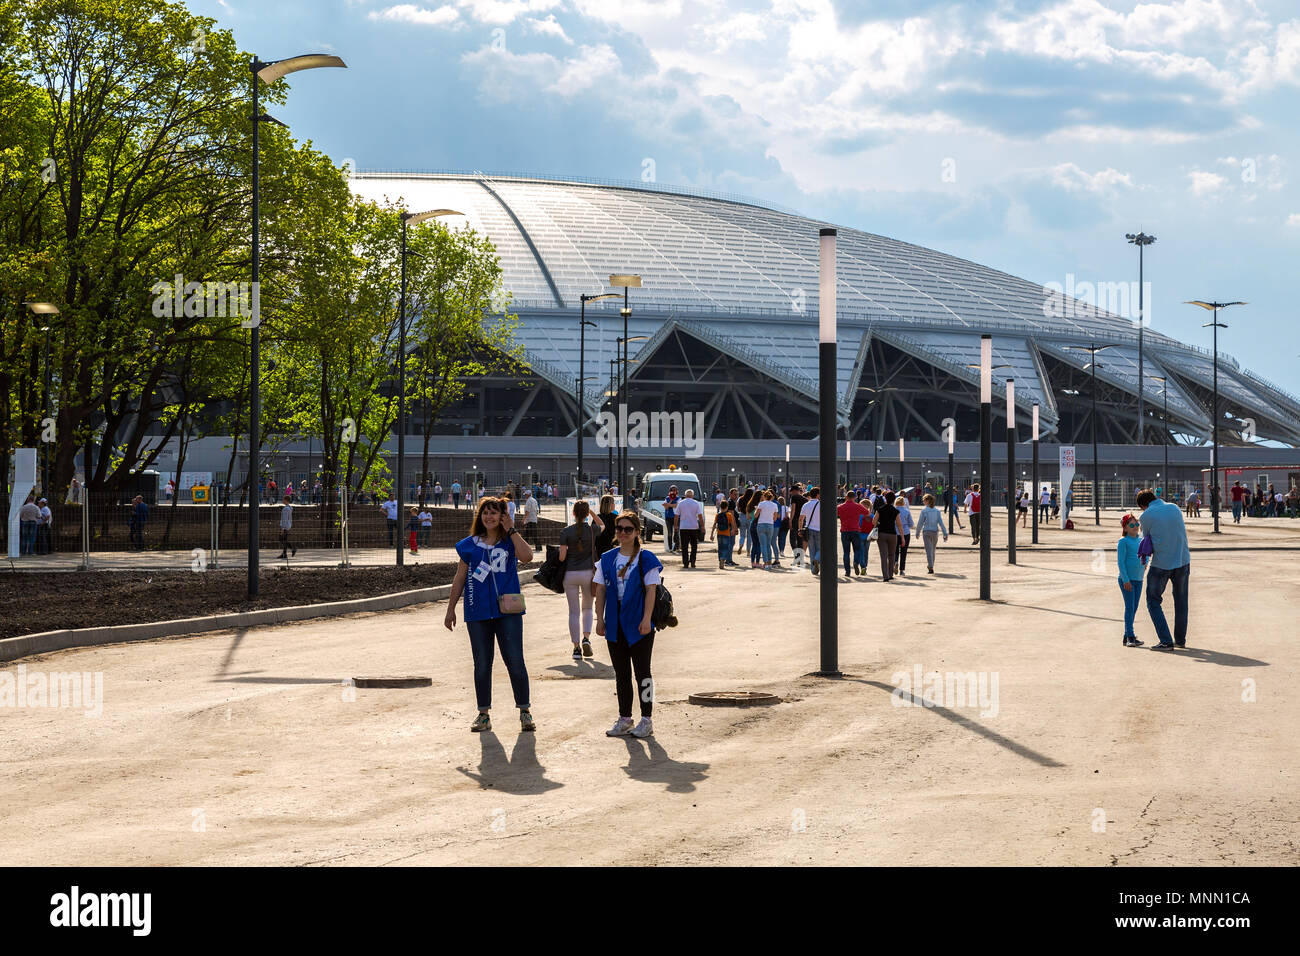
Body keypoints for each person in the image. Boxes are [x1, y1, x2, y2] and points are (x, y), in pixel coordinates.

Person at [445, 496, 535, 732]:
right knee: (482, 664)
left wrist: (512, 529)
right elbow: (460, 578)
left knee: (515, 661)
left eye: (495, 513)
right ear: (479, 516)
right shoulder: (469, 545)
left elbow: (527, 557)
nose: (489, 517)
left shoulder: (510, 542)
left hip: (509, 611)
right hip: (478, 612)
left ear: (503, 516)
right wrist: (451, 608)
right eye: (485, 513)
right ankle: (483, 713)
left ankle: (525, 711)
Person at [594, 512, 662, 739]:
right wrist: (600, 619)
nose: (623, 533)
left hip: (639, 622)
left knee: (643, 673)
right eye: (619, 528)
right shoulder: (607, 559)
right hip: (614, 623)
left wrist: (646, 619)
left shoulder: (646, 559)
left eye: (628, 529)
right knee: (621, 673)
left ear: (637, 532)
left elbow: (651, 591)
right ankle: (625, 718)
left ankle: (647, 719)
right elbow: (601, 590)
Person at [1136, 488, 1191, 650]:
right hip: (1183, 560)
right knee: (1181, 602)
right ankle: (1180, 640)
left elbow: (1146, 539)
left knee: (1153, 601)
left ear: (1142, 505)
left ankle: (1166, 640)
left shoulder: (1145, 516)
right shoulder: (1174, 507)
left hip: (1162, 563)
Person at [559, 500, 605, 661]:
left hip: (570, 574)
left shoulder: (566, 531)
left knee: (573, 611)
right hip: (588, 573)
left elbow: (562, 557)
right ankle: (586, 638)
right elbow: (602, 525)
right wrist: (592, 513)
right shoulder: (592, 529)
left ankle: (576, 648)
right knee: (587, 609)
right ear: (586, 514)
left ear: (573, 514)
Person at [1116, 513, 1146, 647]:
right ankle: (1130, 636)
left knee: (1134, 608)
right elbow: (1121, 563)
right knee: (1129, 607)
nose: (1135, 527)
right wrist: (1125, 580)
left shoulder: (1141, 540)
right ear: (1125, 528)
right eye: (1132, 525)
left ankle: (1126, 635)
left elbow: (1145, 555)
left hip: (1139, 579)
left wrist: (1145, 563)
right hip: (1127, 580)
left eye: (1137, 524)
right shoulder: (1123, 541)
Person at [837, 490, 869, 578]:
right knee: (857, 549)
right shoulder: (858, 506)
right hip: (855, 530)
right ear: (854, 497)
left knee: (846, 552)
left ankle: (847, 571)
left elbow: (835, 514)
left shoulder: (840, 507)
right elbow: (867, 512)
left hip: (844, 530)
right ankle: (856, 562)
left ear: (846, 497)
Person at [873, 490, 904, 581]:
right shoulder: (895, 511)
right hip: (892, 535)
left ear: (885, 498)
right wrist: (902, 537)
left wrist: (877, 524)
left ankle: (885, 576)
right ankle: (890, 575)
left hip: (881, 534)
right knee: (891, 555)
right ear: (894, 500)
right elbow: (899, 525)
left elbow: (874, 521)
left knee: (883, 556)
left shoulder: (880, 509)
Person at [915, 493, 948, 573]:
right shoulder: (937, 511)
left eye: (924, 500)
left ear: (927, 501)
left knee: (928, 550)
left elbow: (920, 523)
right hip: (935, 532)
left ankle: (930, 566)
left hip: (926, 532)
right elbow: (941, 523)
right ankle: (931, 565)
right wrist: (945, 533)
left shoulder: (924, 511)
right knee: (933, 550)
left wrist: (917, 532)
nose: (923, 502)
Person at [673, 489, 704, 569]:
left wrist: (675, 526)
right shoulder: (696, 503)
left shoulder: (681, 503)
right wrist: (702, 526)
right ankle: (693, 562)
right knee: (694, 546)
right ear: (692, 496)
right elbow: (700, 516)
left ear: (685, 495)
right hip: (694, 527)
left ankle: (685, 563)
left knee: (684, 546)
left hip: (684, 527)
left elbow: (676, 516)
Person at [798, 486, 823, 575]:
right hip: (820, 529)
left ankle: (813, 570)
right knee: (821, 549)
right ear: (817, 495)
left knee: (811, 549)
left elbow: (801, 519)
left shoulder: (806, 505)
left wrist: (800, 529)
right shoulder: (821, 504)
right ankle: (817, 559)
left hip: (809, 529)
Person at [754, 489, 780, 568]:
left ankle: (765, 562)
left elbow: (755, 515)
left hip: (761, 524)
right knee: (768, 544)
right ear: (771, 497)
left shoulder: (761, 504)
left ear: (764, 497)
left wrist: (756, 509)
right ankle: (769, 562)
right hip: (770, 525)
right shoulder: (774, 505)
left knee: (763, 545)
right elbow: (775, 518)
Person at [710, 500, 737, 568]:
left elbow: (714, 524)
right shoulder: (729, 515)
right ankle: (723, 558)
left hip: (719, 533)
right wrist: (734, 530)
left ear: (720, 507)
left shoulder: (717, 515)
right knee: (726, 548)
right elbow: (733, 524)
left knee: (720, 547)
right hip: (726, 533)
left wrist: (711, 534)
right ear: (727, 507)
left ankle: (720, 560)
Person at [896, 494, 915, 574]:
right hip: (906, 532)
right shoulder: (907, 511)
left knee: (895, 550)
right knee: (904, 552)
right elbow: (911, 524)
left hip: (895, 532)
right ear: (903, 503)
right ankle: (902, 570)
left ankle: (895, 561)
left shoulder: (894, 510)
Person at [277, 494, 297, 558]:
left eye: (283, 500)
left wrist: (282, 528)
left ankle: (293, 549)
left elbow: (284, 519)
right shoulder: (289, 508)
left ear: (286, 500)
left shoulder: (285, 509)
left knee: (281, 539)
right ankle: (284, 554)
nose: (282, 501)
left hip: (285, 526)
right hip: (288, 525)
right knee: (284, 539)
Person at [662, 485, 680, 553]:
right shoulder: (667, 498)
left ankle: (676, 547)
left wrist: (667, 504)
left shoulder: (678, 498)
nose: (673, 491)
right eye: (672, 490)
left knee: (676, 532)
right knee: (669, 533)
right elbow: (666, 508)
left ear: (677, 491)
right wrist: (671, 501)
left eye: (675, 490)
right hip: (668, 517)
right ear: (669, 491)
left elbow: (676, 506)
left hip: (676, 517)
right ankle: (670, 548)